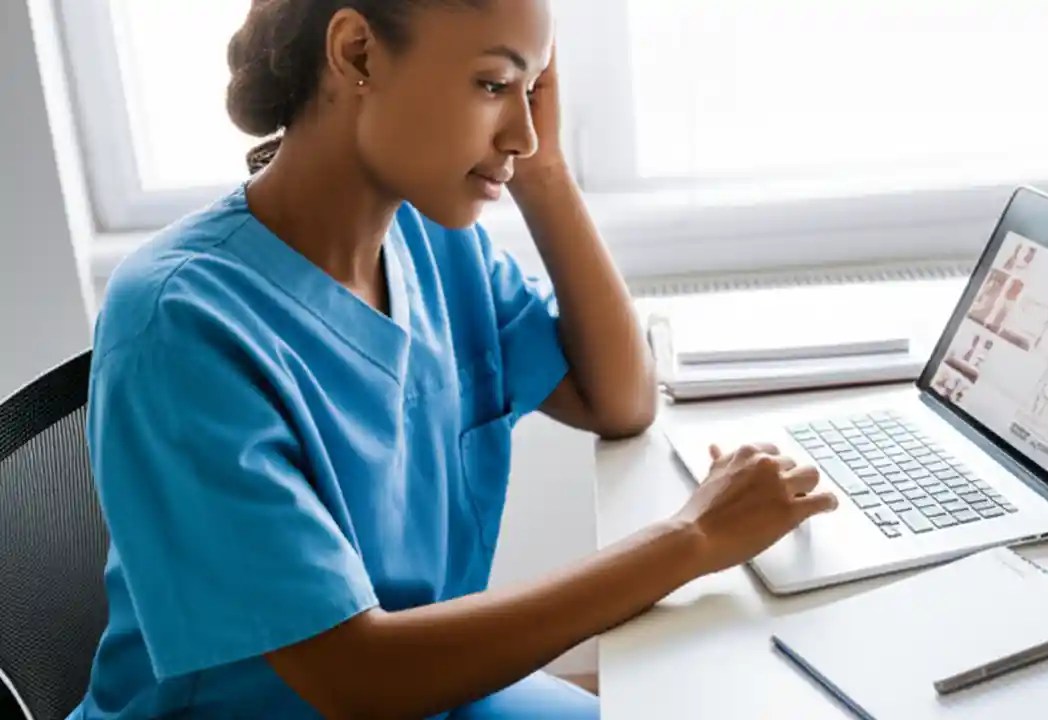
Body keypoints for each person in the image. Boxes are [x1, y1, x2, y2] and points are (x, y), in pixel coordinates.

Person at [70, 1, 839, 718]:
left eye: (532, 89)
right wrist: (690, 541)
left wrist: (544, 175)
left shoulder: (433, 241)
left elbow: (619, 398)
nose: (524, 131)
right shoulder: (177, 320)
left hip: (428, 695)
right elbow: (355, 678)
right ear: (357, 52)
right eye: (494, 84)